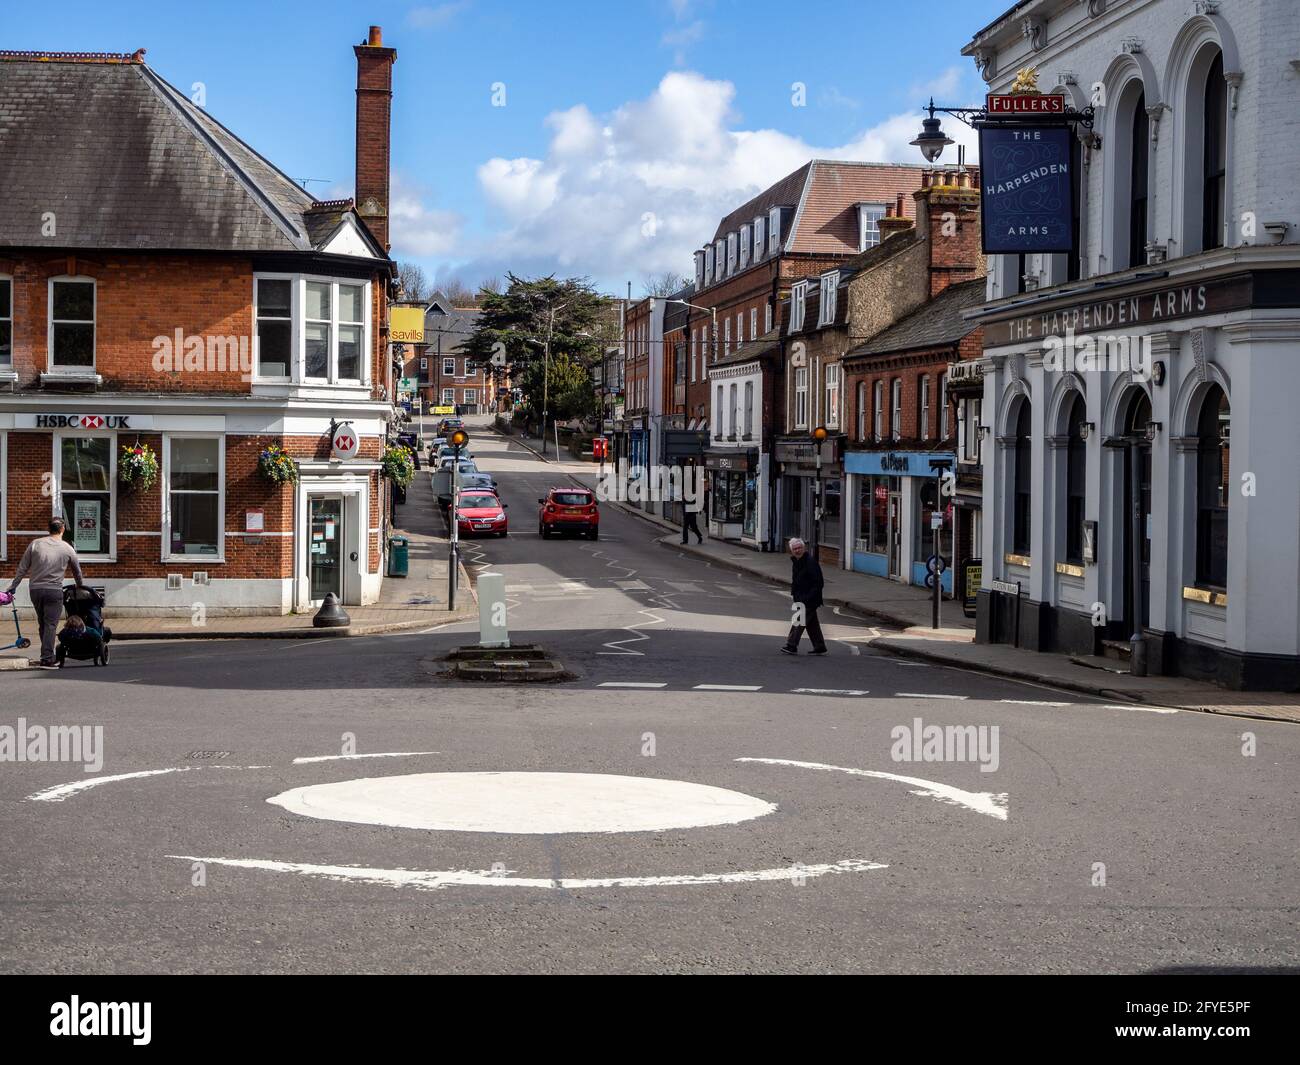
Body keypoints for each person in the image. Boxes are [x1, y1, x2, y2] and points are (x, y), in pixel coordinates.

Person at [5, 517, 84, 668]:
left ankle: (47, 654)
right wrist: (80, 587)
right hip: (54, 591)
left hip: (35, 590)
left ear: (49, 529)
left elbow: (22, 568)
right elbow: (77, 572)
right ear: (62, 529)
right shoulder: (67, 548)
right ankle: (47, 658)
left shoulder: (35, 544)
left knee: (43, 623)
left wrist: (13, 587)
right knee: (50, 625)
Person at [781, 537, 828, 655]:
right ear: (791, 550)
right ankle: (819, 646)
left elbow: (818, 582)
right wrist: (795, 595)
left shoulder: (810, 562)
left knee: (798, 621)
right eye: (795, 549)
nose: (797, 550)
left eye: (799, 548)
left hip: (809, 599)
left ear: (804, 548)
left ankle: (791, 645)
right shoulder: (796, 561)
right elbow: (796, 581)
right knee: (812, 624)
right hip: (801, 598)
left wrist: (808, 598)